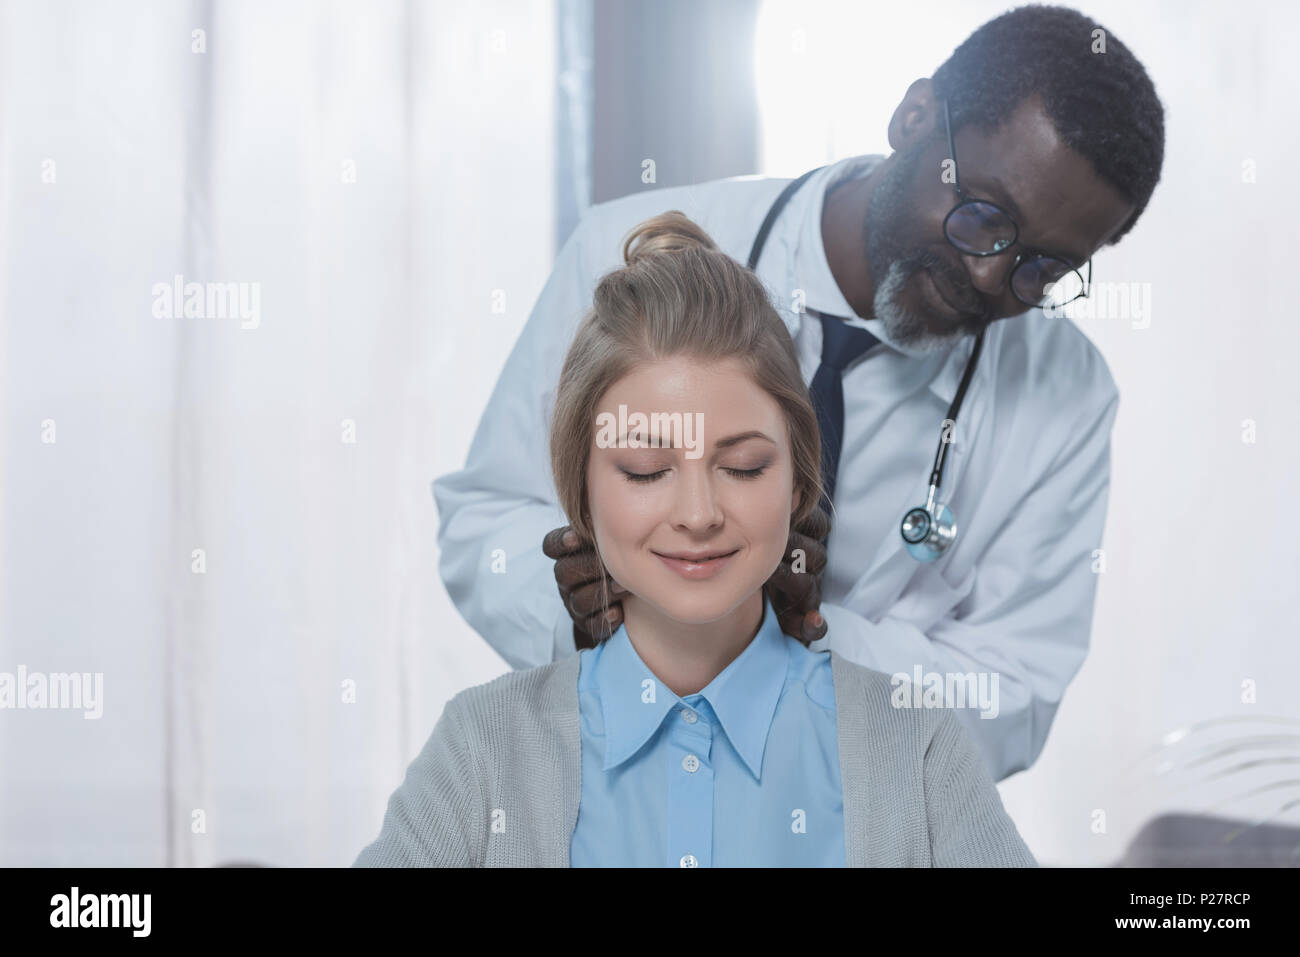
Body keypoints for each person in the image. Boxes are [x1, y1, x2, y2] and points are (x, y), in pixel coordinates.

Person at [432, 5, 1166, 781]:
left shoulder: (1067, 393)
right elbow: (488, 517)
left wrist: (796, 635)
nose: (989, 275)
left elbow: (1011, 697)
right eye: (982, 215)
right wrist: (597, 608)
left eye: (1042, 268)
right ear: (914, 116)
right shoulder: (624, 253)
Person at [355, 211, 1035, 866]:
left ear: (798, 480)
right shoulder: (483, 750)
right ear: (581, 489)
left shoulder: (915, 749)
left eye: (742, 466)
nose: (699, 512)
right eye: (647, 470)